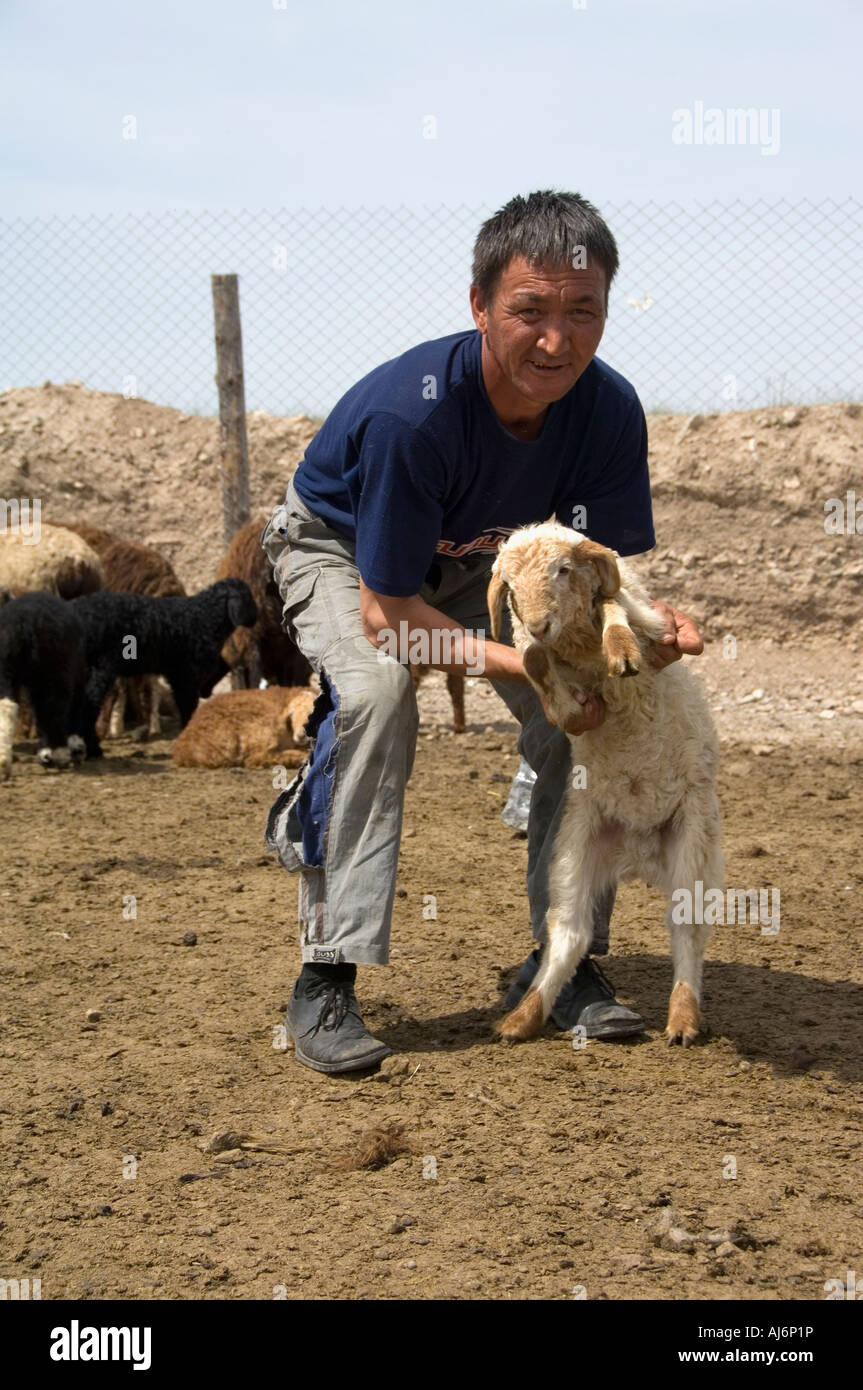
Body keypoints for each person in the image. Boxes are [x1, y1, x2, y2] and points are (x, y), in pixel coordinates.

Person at [261, 189, 703, 1075]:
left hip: (497, 564)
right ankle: (327, 972)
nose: (556, 340)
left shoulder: (607, 411)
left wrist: (646, 635)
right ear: (478, 308)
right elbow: (389, 617)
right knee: (380, 696)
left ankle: (563, 959)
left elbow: (598, 573)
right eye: (528, 311)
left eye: (584, 312)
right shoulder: (412, 417)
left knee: (591, 709)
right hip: (346, 553)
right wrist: (531, 663)